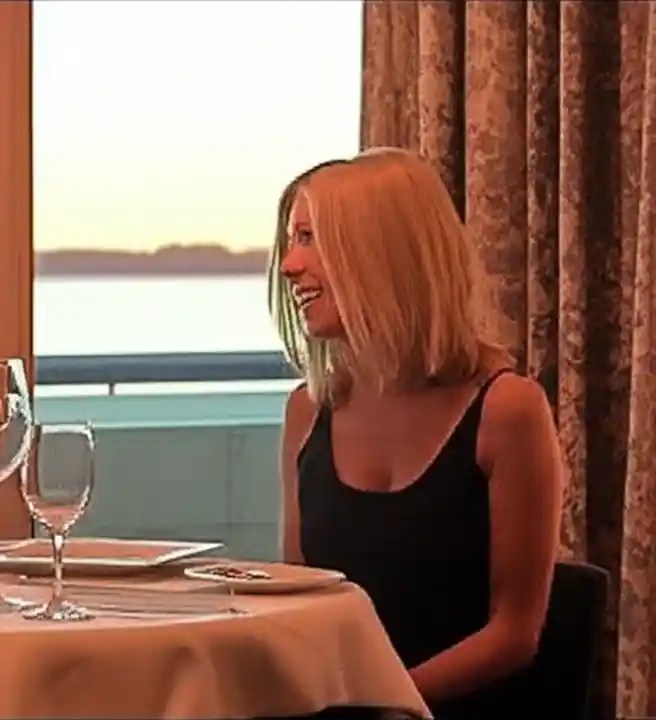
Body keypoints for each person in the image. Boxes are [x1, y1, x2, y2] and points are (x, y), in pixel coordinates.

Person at [269, 148, 563, 718]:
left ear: (380, 252)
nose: (288, 265)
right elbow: (301, 600)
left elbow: (514, 633)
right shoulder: (308, 411)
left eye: (309, 238)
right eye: (290, 240)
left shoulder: (508, 411)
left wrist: (381, 700)